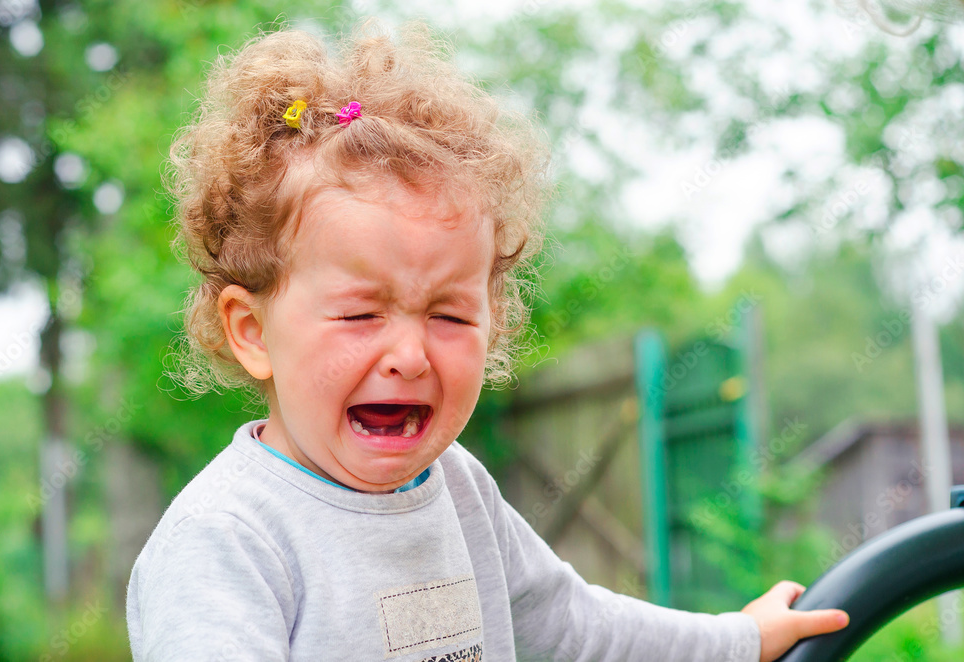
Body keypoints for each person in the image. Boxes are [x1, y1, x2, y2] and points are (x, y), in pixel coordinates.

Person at [125, 19, 849, 662]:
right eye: (360, 315)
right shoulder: (227, 540)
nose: (409, 355)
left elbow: (574, 627)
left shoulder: (459, 489)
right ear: (252, 332)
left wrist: (739, 640)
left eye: (448, 316)